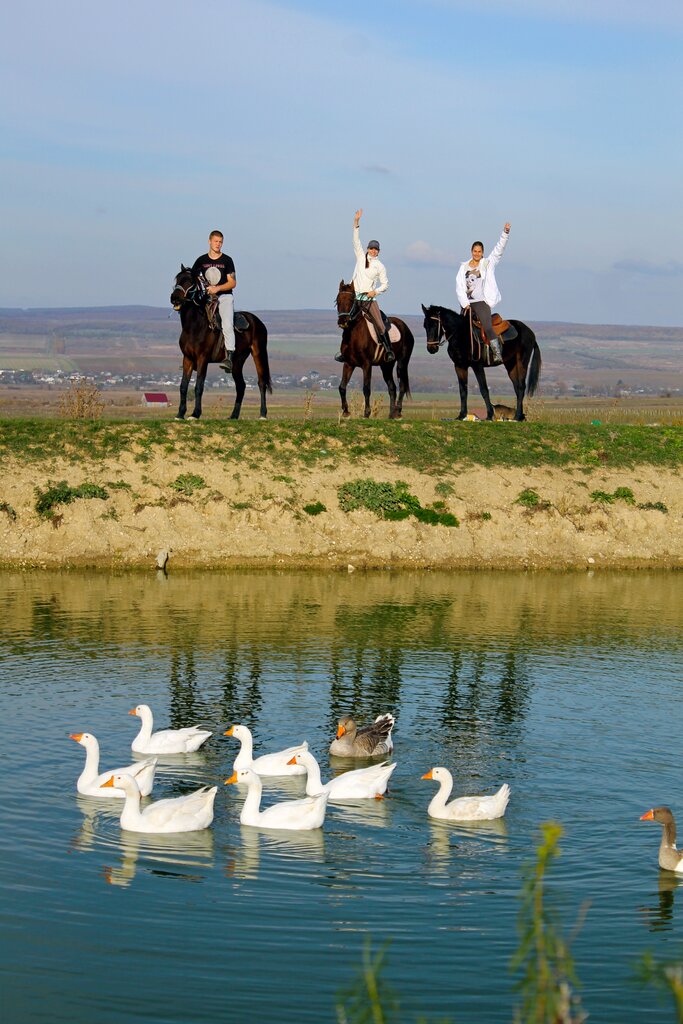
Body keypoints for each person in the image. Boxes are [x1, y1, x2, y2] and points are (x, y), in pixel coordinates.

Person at [335, 208, 394, 363]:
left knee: (380, 325)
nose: (373, 251)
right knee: (345, 322)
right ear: (368, 249)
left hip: (368, 300)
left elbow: (386, 284)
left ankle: (388, 351)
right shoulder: (361, 256)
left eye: (376, 249)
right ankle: (344, 351)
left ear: (378, 252)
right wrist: (356, 222)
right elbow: (356, 241)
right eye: (371, 248)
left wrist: (375, 292)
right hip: (355, 298)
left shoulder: (380, 266)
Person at [455, 223, 511, 362]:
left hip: (481, 302)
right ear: (471, 251)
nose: (477, 253)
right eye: (475, 251)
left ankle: (497, 353)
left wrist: (505, 233)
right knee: (459, 328)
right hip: (467, 303)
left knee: (487, 327)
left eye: (479, 251)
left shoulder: (487, 264)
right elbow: (459, 285)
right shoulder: (464, 267)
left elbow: (499, 250)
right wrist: (465, 303)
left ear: (483, 252)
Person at [192, 230, 236, 373]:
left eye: (220, 242)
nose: (218, 244)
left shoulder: (227, 260)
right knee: (195, 322)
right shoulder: (201, 260)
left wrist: (217, 289)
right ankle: (192, 356)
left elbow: (232, 283)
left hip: (224, 297)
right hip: (206, 297)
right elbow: (193, 277)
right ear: (209, 241)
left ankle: (229, 357)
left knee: (227, 324)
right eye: (216, 241)